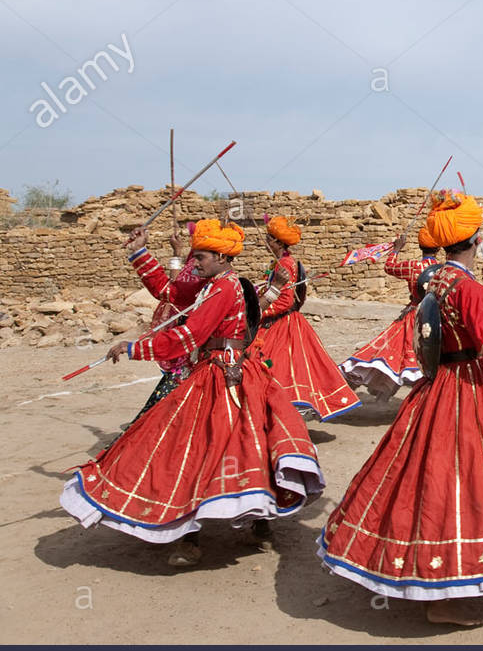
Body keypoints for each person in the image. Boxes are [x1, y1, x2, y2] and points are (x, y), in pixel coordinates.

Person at [318, 192, 483, 626]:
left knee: (423, 471)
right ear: (477, 239)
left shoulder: (435, 278)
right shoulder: (468, 287)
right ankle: (445, 591)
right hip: (468, 392)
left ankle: (425, 568)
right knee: (463, 478)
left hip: (436, 385)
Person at [61, 219, 325, 567]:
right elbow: (170, 292)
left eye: (199, 257)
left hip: (223, 374)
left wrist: (134, 348)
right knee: (235, 445)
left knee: (195, 446)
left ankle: (194, 533)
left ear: (220, 255)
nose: (193, 263)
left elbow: (189, 336)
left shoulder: (223, 288)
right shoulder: (211, 284)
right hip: (219, 369)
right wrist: (141, 251)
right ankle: (239, 525)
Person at [252, 215, 361, 421]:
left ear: (278, 242)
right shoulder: (280, 263)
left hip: (283, 324)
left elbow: (285, 301)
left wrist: (260, 312)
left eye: (269, 238)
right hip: (280, 321)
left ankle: (286, 412)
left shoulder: (285, 264)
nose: (265, 242)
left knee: (280, 367)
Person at [339, 221, 442, 400]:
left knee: (393, 350)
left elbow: (389, 266)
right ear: (439, 248)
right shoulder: (443, 269)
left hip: (413, 315)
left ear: (419, 246)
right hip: (436, 316)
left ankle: (381, 392)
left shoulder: (412, 267)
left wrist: (396, 249)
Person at [124, 225, 205, 418]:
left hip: (200, 352)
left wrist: (137, 349)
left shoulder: (216, 284)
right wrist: (142, 252)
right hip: (186, 336)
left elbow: (175, 290)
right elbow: (175, 289)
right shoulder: (199, 266)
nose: (197, 262)